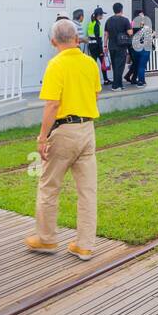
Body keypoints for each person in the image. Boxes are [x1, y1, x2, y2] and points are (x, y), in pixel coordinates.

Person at [25, 19, 101, 260]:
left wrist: (42, 137)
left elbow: (52, 104)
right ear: (77, 39)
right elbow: (96, 94)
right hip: (87, 129)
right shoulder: (90, 63)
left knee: (49, 186)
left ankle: (46, 239)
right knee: (87, 191)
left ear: (53, 41)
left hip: (63, 130)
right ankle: (85, 244)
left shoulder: (55, 65)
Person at [103, 2, 134, 90]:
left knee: (115, 66)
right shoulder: (125, 20)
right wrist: (130, 27)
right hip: (121, 46)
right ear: (121, 10)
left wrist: (105, 46)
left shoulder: (108, 20)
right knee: (119, 66)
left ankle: (119, 84)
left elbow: (106, 34)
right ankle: (115, 86)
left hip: (111, 46)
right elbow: (130, 33)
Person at [129, 10, 154, 87]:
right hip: (144, 48)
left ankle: (135, 79)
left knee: (137, 64)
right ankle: (141, 81)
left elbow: (130, 35)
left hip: (135, 48)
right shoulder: (146, 26)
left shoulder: (131, 25)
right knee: (142, 66)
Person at [86, 7, 110, 84]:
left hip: (91, 46)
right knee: (103, 63)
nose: (102, 16)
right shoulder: (96, 24)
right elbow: (98, 39)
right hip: (97, 46)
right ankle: (105, 80)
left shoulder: (91, 23)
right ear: (99, 15)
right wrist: (101, 51)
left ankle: (91, 81)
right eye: (102, 14)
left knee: (93, 64)